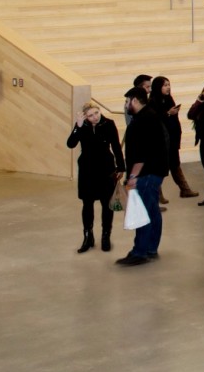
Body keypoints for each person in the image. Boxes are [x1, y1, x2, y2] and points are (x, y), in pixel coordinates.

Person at [117, 86, 172, 266]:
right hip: (155, 171)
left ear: (134, 100)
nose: (125, 105)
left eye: (127, 101)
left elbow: (140, 153)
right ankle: (151, 248)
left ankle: (140, 252)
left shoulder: (142, 121)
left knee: (144, 212)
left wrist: (132, 176)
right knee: (153, 210)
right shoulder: (150, 116)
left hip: (146, 174)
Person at [66, 102, 124, 254]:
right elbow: (70, 144)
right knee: (87, 203)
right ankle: (88, 236)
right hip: (87, 169)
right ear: (86, 117)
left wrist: (121, 167)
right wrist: (77, 126)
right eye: (91, 115)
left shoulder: (109, 124)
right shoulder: (82, 126)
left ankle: (106, 236)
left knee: (107, 203)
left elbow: (116, 146)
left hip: (106, 168)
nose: (95, 117)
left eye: (96, 113)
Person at [149, 76, 197, 199]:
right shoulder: (153, 101)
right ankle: (158, 195)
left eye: (168, 85)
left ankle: (185, 189)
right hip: (161, 141)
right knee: (160, 169)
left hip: (172, 138)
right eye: (165, 85)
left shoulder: (169, 99)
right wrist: (168, 113)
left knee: (175, 165)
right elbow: (154, 120)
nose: (168, 87)